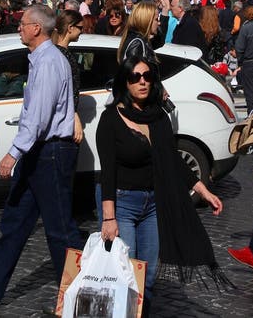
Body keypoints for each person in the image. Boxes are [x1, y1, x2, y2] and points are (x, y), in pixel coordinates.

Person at [0, 4, 82, 310]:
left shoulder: (50, 62)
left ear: (37, 28)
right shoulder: (41, 59)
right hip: (40, 152)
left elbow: (38, 116)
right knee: (16, 221)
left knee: (59, 230)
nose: (19, 28)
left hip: (50, 152)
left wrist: (13, 153)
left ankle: (83, 295)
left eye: (23, 24)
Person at [96, 53, 225, 316]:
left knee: (149, 274)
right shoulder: (110, 119)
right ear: (125, 82)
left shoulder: (158, 117)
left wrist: (203, 190)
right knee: (127, 273)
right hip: (123, 204)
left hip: (154, 204)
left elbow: (173, 160)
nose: (142, 82)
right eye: (135, 77)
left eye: (147, 76)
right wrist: (109, 218)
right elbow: (107, 172)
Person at [53, 8, 84, 143]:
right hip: (65, 123)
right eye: (80, 28)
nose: (82, 31)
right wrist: (75, 116)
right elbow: (63, 90)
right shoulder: (60, 55)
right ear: (70, 28)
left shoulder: (58, 52)